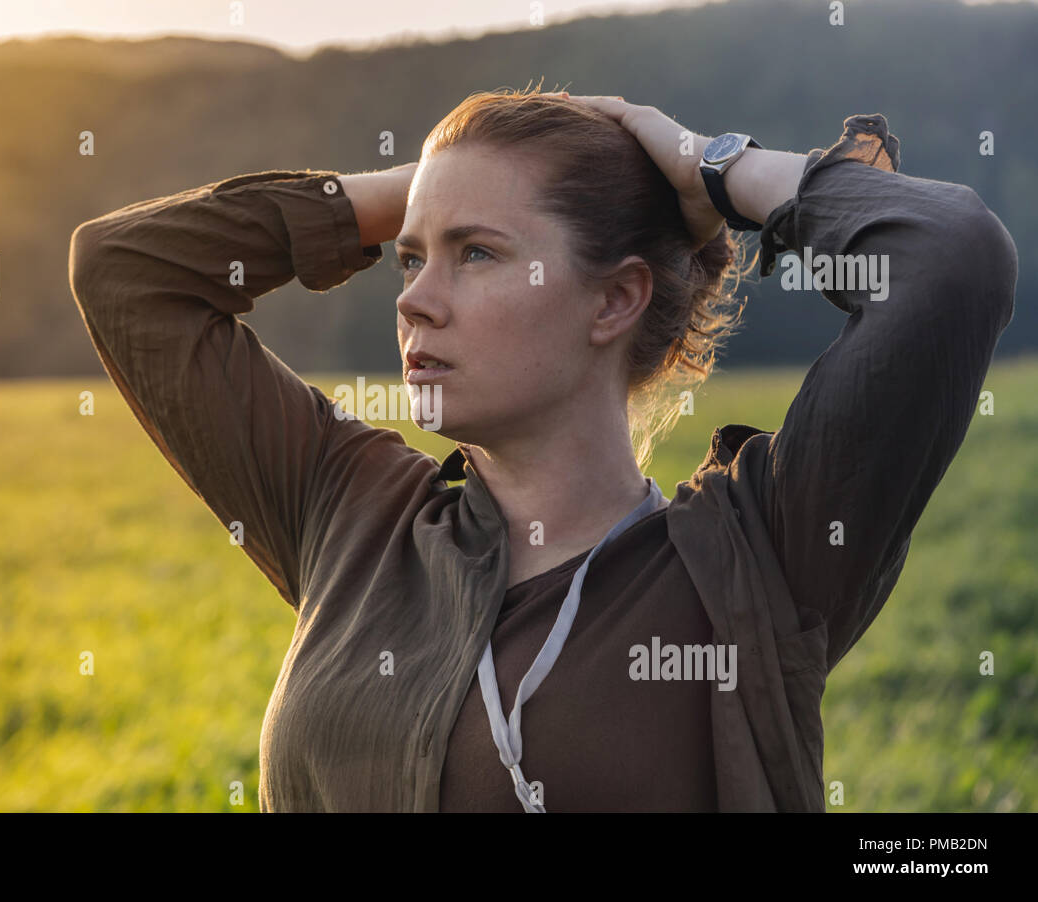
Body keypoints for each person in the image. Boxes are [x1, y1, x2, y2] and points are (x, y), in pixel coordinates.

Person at [67, 89, 1017, 811]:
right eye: (410, 258)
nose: (413, 300)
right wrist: (435, 188)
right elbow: (125, 272)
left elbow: (950, 256)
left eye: (476, 254)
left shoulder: (762, 558)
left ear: (615, 299)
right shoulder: (345, 512)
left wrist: (710, 167)